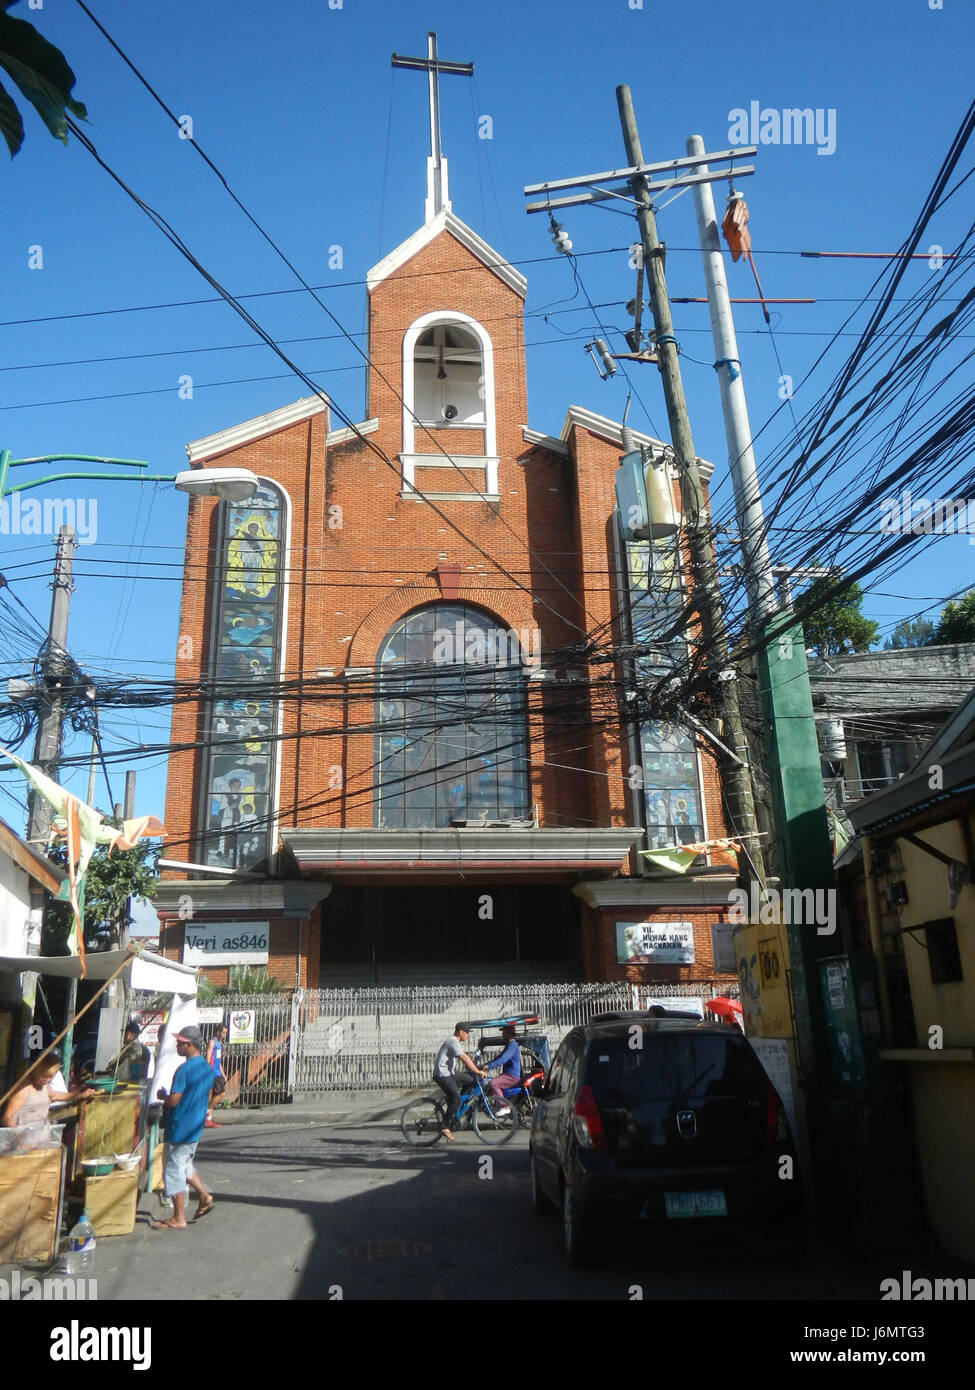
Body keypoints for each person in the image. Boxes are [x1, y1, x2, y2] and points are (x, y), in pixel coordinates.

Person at [154, 1026, 216, 1230]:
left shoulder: (184, 1069)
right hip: (194, 1127)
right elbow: (208, 1095)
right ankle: (205, 1196)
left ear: (189, 1044)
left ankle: (178, 1217)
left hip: (180, 1126)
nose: (177, 1045)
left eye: (180, 1042)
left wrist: (164, 1098)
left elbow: (174, 1100)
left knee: (174, 1170)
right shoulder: (206, 1068)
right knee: (185, 1165)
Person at [1, 1056, 95, 1127]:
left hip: (40, 1139)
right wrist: (19, 1134)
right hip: (21, 1142)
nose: (48, 1080)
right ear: (37, 1070)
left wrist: (81, 1095)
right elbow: (6, 1118)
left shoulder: (45, 1088)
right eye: (45, 1076)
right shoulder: (24, 1089)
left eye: (51, 1077)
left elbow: (60, 1096)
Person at [433, 1023, 485, 1142]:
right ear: (460, 1032)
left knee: (470, 1080)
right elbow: (464, 1058)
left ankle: (459, 1106)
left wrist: (474, 1071)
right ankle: (444, 1126)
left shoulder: (454, 1042)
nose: (467, 1035)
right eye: (467, 1032)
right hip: (442, 1075)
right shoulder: (453, 1041)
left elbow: (465, 1059)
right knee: (455, 1098)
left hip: (449, 1073)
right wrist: (477, 1071)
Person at [481, 1024, 522, 1107]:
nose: (502, 1034)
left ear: (509, 1033)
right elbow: (498, 1058)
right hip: (508, 1074)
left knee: (493, 1083)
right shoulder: (509, 1045)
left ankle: (505, 1107)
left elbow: (503, 1059)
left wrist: (489, 1067)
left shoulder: (512, 1046)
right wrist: (486, 1065)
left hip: (511, 1076)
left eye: (504, 1032)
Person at [204, 1024, 228, 1128]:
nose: (224, 1034)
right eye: (223, 1032)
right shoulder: (212, 1042)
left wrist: (223, 1074)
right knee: (221, 1093)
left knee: (213, 1096)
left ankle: (208, 1120)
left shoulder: (219, 1043)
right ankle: (206, 1111)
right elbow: (208, 1057)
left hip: (218, 1072)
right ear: (218, 1032)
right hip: (212, 1072)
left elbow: (219, 1061)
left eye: (226, 1032)